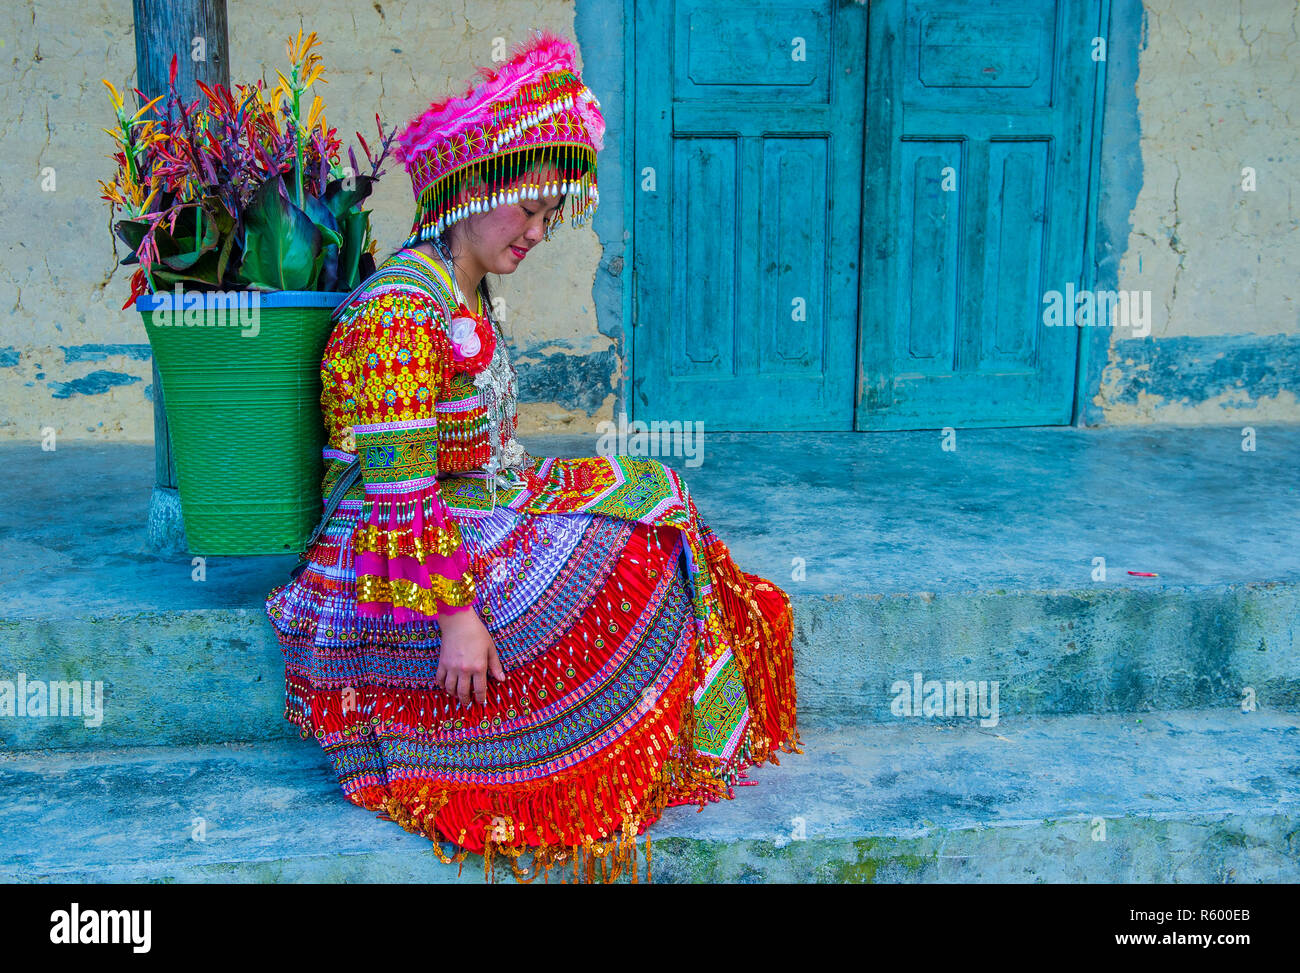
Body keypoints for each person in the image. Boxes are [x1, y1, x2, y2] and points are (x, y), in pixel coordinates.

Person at [263, 28, 800, 884]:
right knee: (628, 555)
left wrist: (550, 490)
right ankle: (593, 754)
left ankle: (649, 733)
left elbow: (484, 451)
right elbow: (401, 495)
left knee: (651, 491)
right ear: (473, 184)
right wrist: (460, 619)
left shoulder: (462, 291)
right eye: (533, 209)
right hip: (397, 565)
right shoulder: (400, 313)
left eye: (553, 217)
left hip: (471, 511)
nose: (541, 232)